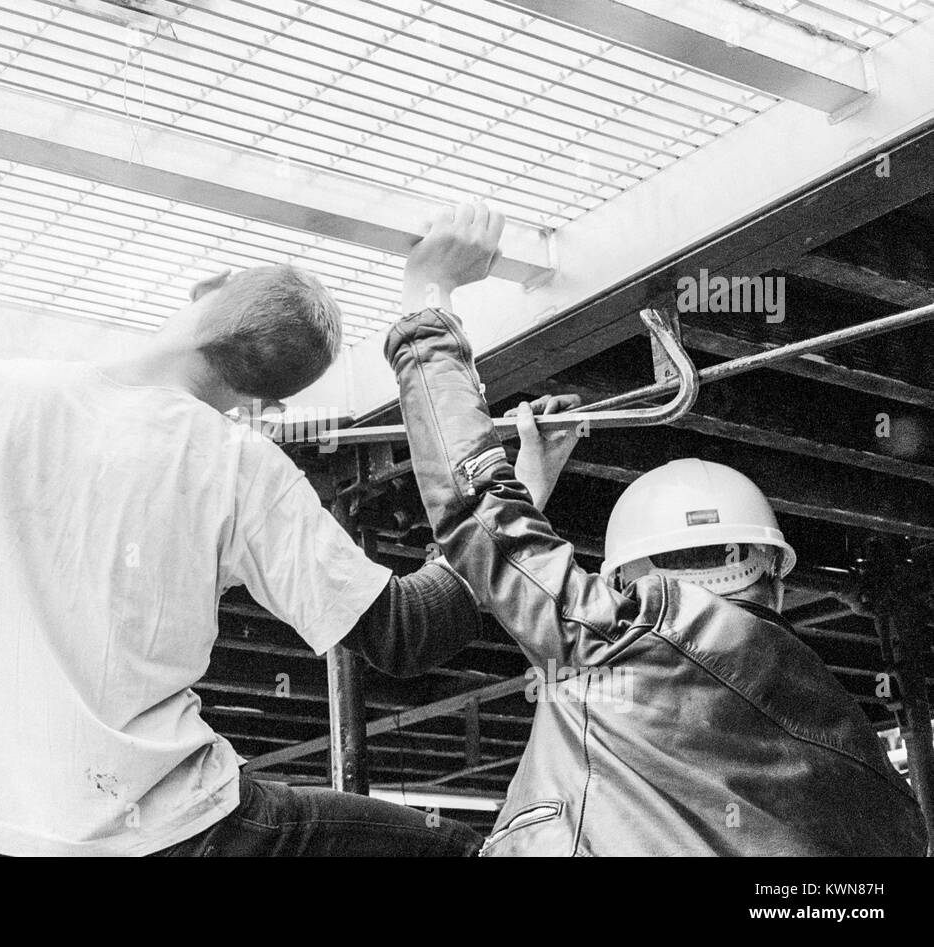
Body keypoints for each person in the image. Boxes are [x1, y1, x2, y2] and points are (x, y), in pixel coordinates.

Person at [0, 263, 560, 857]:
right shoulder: (235, 464)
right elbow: (406, 631)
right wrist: (517, 490)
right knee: (457, 852)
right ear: (269, 403)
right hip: (173, 832)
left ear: (210, 288)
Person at [384, 201, 929, 856]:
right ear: (775, 583)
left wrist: (428, 304)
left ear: (626, 578)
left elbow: (479, 509)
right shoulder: (881, 788)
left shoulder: (622, 637)